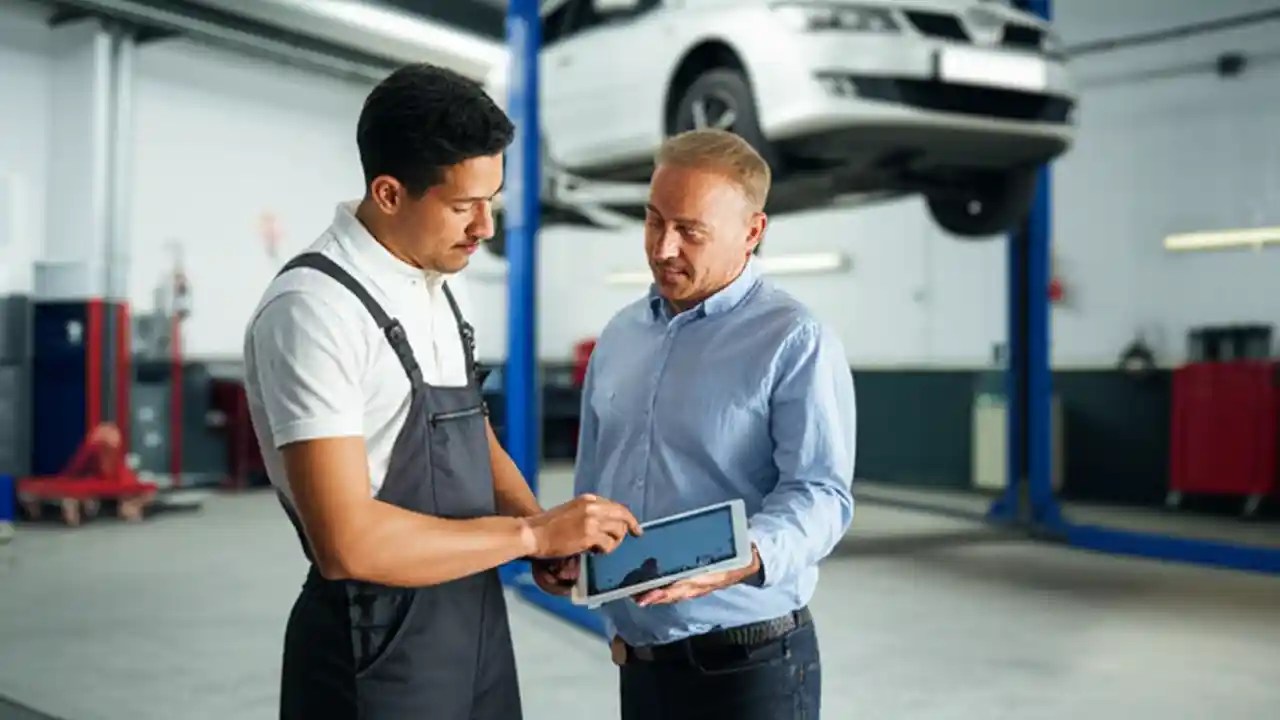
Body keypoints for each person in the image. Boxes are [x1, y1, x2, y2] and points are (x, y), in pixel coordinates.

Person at [242, 63, 640, 720]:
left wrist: (538, 524)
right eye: (463, 207)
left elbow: (467, 430)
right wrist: (531, 538)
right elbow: (348, 543)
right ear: (390, 193)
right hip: (375, 643)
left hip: (473, 613)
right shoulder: (315, 309)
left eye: (494, 201)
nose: (485, 228)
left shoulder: (429, 281)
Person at [568, 129, 857, 719]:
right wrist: (571, 553)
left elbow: (822, 494)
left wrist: (744, 555)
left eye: (691, 231)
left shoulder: (793, 340)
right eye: (654, 221)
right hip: (640, 664)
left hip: (750, 670)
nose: (663, 248)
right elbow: (594, 484)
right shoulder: (621, 336)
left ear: (752, 232)